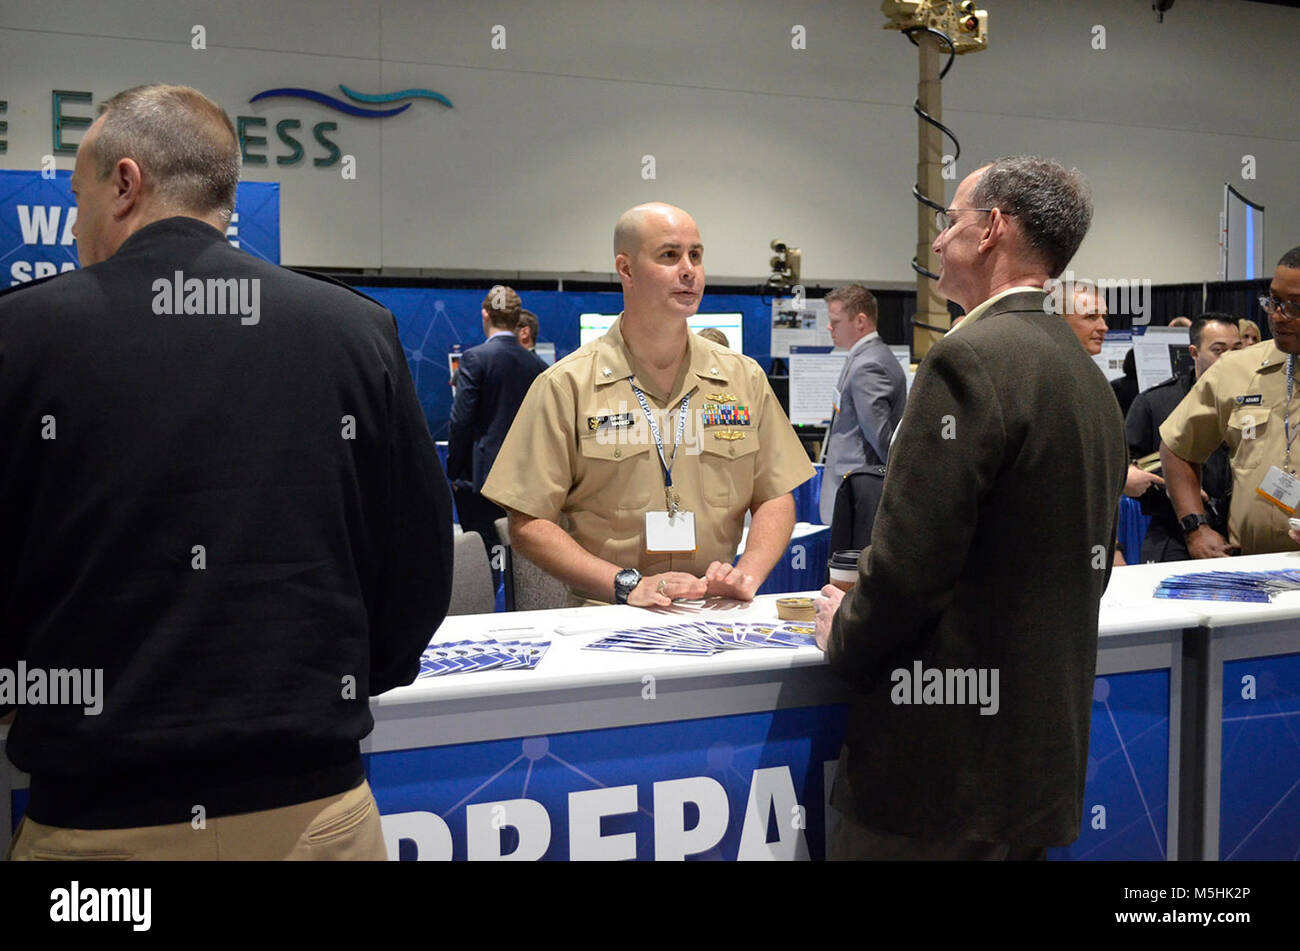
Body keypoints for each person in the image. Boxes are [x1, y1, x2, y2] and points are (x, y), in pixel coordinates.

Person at [0, 84, 453, 860]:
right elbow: (417, 565)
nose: (73, 226)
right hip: (318, 819)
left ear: (126, 183)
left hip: (100, 835)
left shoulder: (21, 334)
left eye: (78, 197)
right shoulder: (356, 331)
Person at [813, 156, 1127, 860]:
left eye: (949, 222)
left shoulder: (966, 361)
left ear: (991, 229)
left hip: (938, 780)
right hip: (1034, 771)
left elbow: (905, 572)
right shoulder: (1087, 376)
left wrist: (842, 633)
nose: (936, 242)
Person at [482, 201, 813, 607]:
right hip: (609, 618)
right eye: (670, 256)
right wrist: (627, 584)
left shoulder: (743, 379)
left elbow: (775, 496)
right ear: (626, 269)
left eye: (696, 255)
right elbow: (528, 522)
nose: (688, 269)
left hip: (715, 615)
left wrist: (748, 574)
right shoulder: (567, 385)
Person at [1161, 247, 1300, 557]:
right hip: (1251, 572)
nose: (1278, 316)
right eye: (1274, 301)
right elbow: (1176, 447)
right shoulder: (1236, 369)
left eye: (1295, 306)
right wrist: (1195, 528)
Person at [1126, 315, 1241, 562]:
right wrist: (1170, 488)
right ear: (1194, 352)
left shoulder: (1258, 400)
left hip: (1240, 531)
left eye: (1237, 349)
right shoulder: (1155, 402)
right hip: (1173, 531)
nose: (1230, 359)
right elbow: (1126, 466)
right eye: (1219, 350)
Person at [447, 285, 546, 563]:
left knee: (483, 555)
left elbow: (462, 421)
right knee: (520, 559)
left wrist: (453, 471)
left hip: (480, 479)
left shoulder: (475, 359)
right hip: (525, 479)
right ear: (517, 320)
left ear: (485, 314)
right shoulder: (538, 366)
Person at [819, 284, 907, 525]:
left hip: (858, 491)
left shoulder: (868, 365)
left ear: (860, 321)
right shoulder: (866, 357)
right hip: (854, 488)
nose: (829, 327)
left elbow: (880, 438)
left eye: (835, 321)